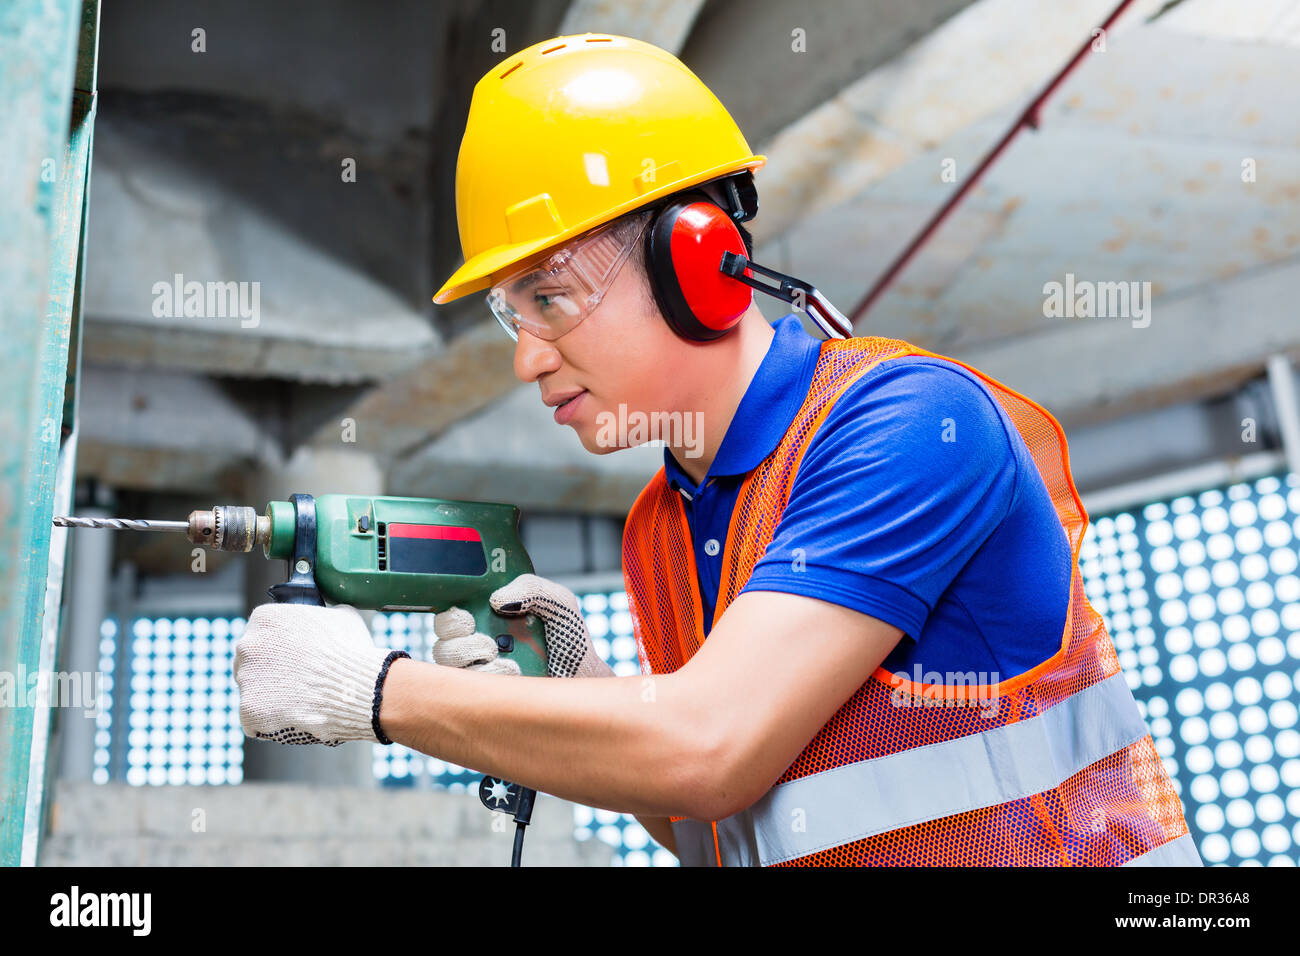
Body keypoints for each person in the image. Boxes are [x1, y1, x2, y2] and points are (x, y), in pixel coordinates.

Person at [234, 33, 1201, 866]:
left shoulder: (907, 428)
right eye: (509, 314)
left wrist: (378, 692)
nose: (527, 357)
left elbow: (707, 749)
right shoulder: (665, 526)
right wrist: (591, 696)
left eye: (551, 297)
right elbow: (715, 822)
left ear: (696, 260)